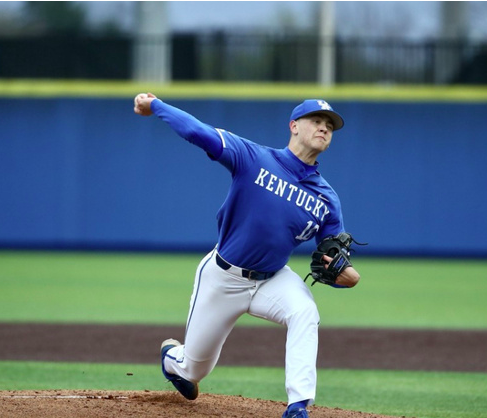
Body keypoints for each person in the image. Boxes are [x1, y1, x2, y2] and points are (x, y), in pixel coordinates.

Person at [133, 93, 361, 418]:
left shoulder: (327, 199)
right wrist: (156, 105)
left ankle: (298, 405)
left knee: (305, 312)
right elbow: (199, 132)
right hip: (223, 277)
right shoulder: (253, 158)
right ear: (294, 126)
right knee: (193, 371)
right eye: (316, 121)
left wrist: (345, 277)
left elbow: (331, 259)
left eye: (330, 125)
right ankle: (173, 358)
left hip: (273, 278)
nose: (324, 128)